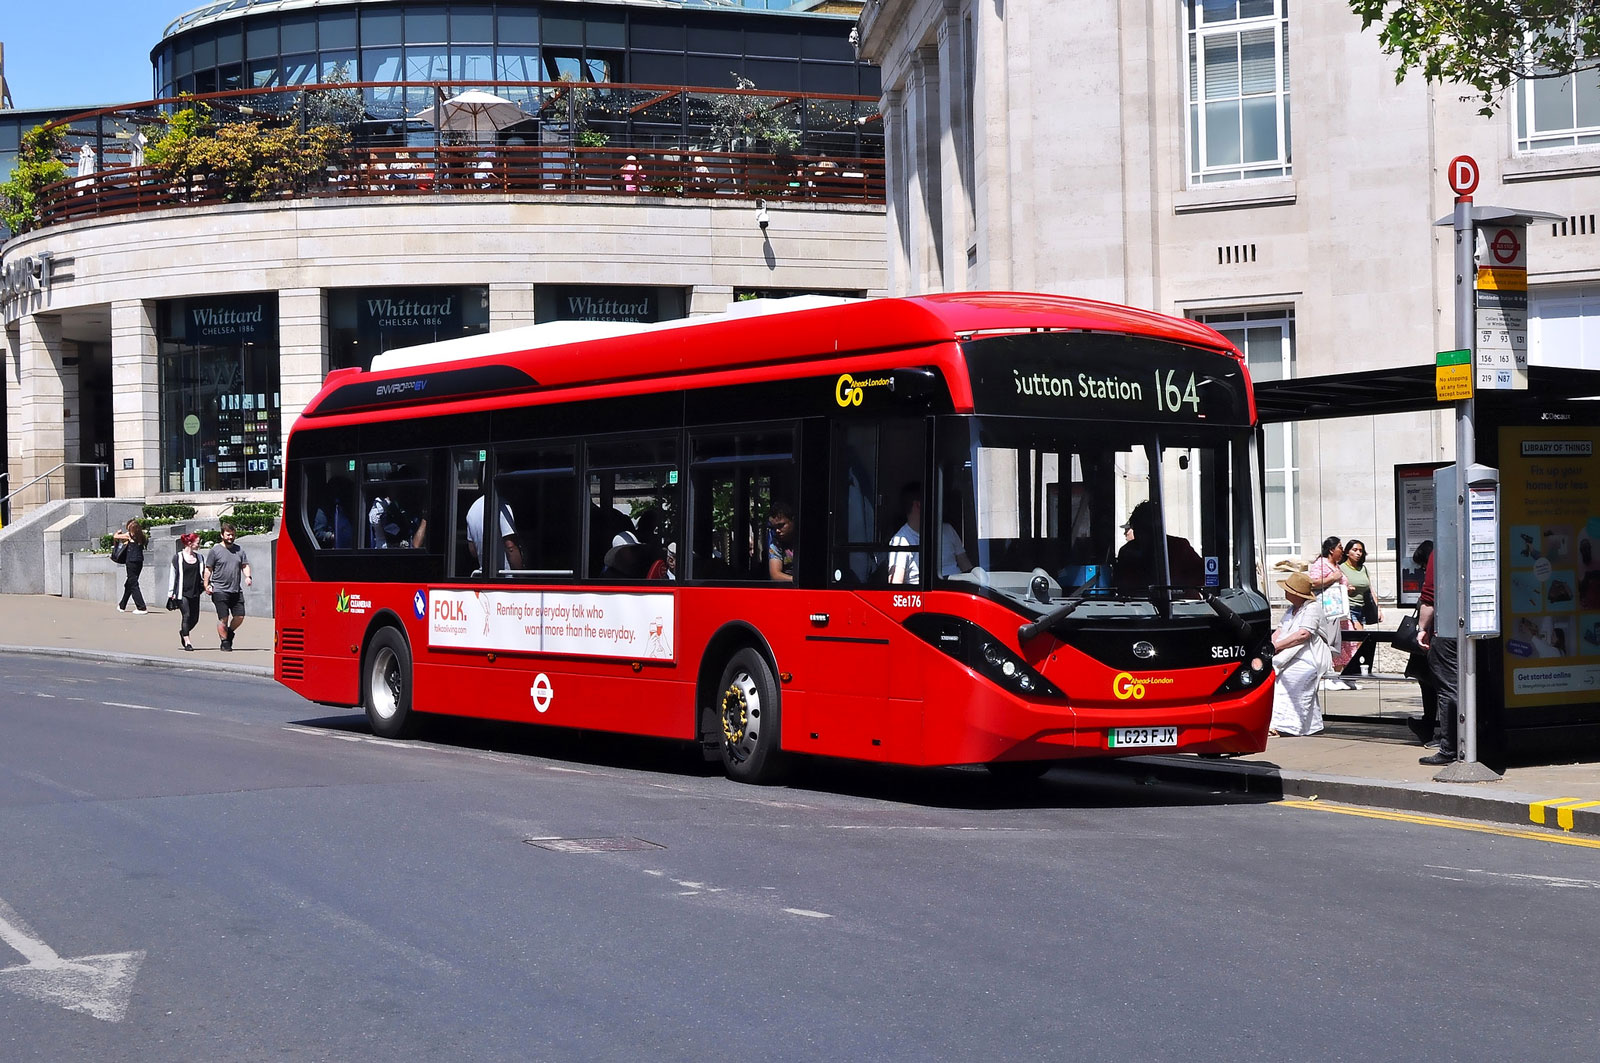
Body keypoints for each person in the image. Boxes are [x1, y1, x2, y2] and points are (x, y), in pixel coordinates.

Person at [1269, 571, 1332, 737]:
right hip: (1292, 655)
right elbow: (1281, 630)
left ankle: (1287, 726)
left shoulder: (1313, 608)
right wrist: (1269, 644)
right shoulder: (1292, 609)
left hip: (1309, 657)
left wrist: (1276, 647)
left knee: (1288, 683)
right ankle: (1312, 726)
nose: (1285, 592)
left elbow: (1303, 634)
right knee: (1282, 681)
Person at [1416, 544, 1459, 767]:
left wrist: (1422, 628)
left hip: (1448, 631)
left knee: (1448, 689)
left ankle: (1449, 747)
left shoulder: (1442, 549)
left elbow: (1430, 595)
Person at [888, 481, 972, 583]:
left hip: (958, 591)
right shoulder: (901, 540)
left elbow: (966, 566)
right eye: (930, 501)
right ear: (918, 505)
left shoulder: (947, 530)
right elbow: (896, 585)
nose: (935, 506)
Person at [1113, 500, 1203, 592]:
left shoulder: (1179, 547)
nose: (1140, 535)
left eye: (1145, 529)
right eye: (1138, 529)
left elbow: (1201, 576)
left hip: (1177, 603)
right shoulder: (1128, 552)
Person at [1308, 535, 1359, 688]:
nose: (1342, 551)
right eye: (1340, 548)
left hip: (1340, 611)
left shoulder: (1337, 566)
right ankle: (1329, 676)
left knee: (1348, 642)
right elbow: (1313, 583)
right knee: (1331, 642)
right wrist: (1332, 578)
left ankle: (1342, 675)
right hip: (1329, 613)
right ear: (1331, 550)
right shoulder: (1321, 564)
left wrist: (1347, 588)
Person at [1404, 540, 1439, 747]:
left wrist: (1422, 629)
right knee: (1429, 684)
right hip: (1433, 641)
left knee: (1431, 684)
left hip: (1432, 640)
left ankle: (1430, 727)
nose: (1423, 569)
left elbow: (1428, 600)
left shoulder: (1434, 573)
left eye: (1423, 564)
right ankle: (1428, 724)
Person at [203, 522, 253, 652]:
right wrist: (206, 585)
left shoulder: (239, 550)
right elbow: (208, 569)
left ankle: (229, 632)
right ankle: (225, 642)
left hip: (235, 590)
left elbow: (245, 565)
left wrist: (248, 577)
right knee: (223, 618)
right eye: (228, 534)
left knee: (240, 616)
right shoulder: (215, 551)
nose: (230, 537)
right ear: (222, 535)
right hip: (219, 590)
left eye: (232, 535)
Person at [1339, 538, 1381, 676]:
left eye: (1361, 551)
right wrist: (1346, 588)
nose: (1358, 553)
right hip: (1348, 608)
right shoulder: (1341, 568)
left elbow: (1370, 589)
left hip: (1361, 608)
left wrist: (1378, 609)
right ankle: (1349, 671)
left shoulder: (1363, 569)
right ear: (1347, 552)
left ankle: (1350, 672)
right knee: (1356, 639)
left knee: (1358, 642)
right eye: (1355, 550)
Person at [167, 532, 204, 651]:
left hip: (195, 592)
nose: (199, 545)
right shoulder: (178, 558)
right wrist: (171, 593)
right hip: (181, 593)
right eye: (197, 543)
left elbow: (203, 575)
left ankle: (183, 631)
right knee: (186, 615)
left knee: (195, 619)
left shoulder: (200, 558)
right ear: (189, 543)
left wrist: (208, 585)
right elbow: (173, 575)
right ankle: (187, 641)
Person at [466, 495, 523, 572]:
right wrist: (520, 575)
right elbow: (511, 547)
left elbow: (473, 550)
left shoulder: (473, 508)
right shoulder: (502, 506)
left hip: (483, 574)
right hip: (505, 576)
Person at [111, 518, 150, 614]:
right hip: (139, 561)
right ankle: (122, 605)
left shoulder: (129, 536)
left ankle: (141, 607)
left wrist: (118, 532)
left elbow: (116, 536)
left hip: (131, 561)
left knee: (133, 584)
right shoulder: (142, 537)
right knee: (129, 583)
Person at [767, 501, 797, 582]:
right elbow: (775, 575)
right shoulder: (775, 544)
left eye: (781, 525)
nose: (777, 530)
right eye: (774, 527)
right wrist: (797, 580)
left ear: (793, 521)